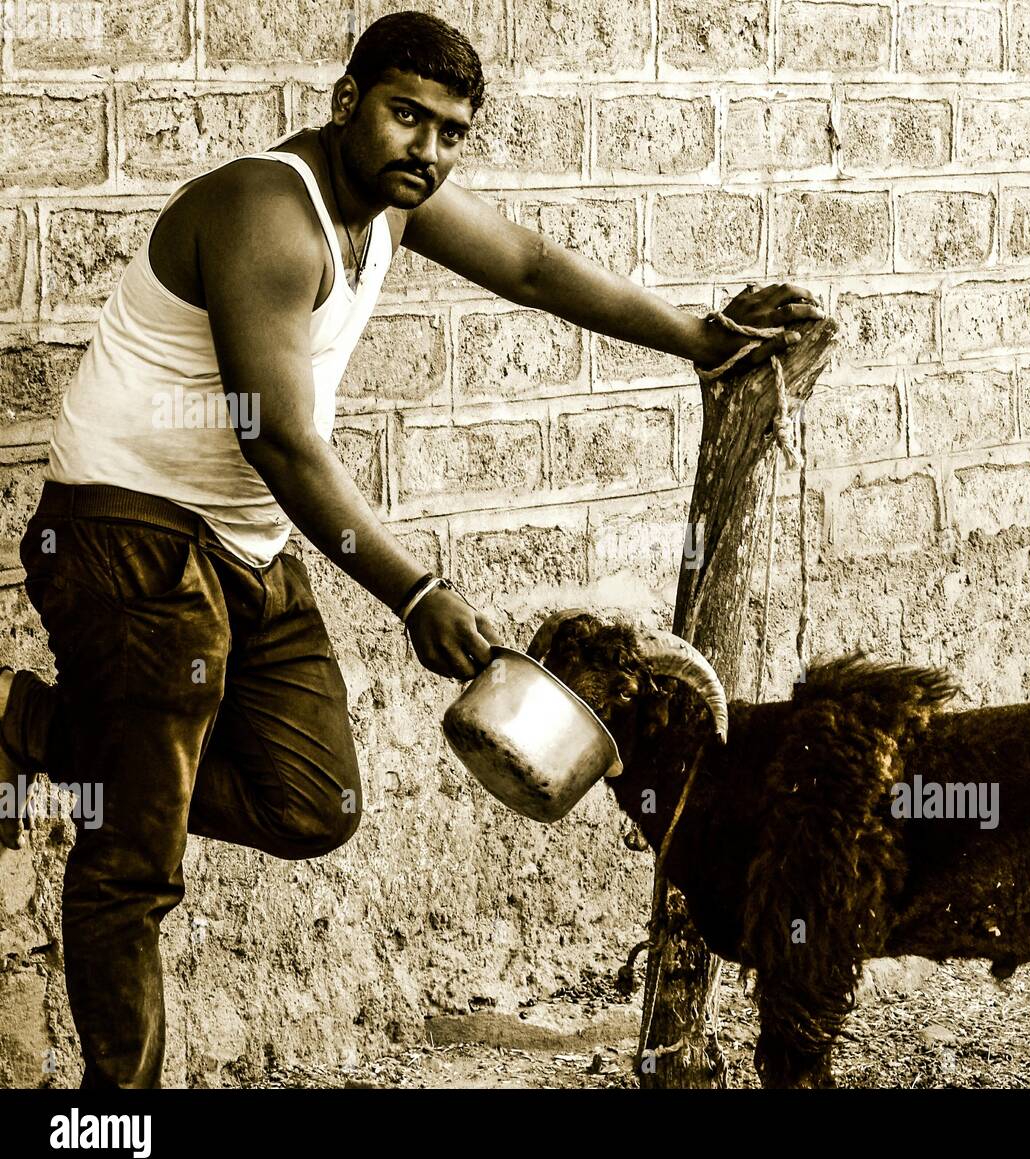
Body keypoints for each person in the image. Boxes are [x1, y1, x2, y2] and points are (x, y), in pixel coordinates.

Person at [0, 10, 824, 1088]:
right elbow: (282, 441)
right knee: (135, 858)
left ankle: (31, 727)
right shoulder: (267, 210)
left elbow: (529, 265)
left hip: (238, 541)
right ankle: (119, 1116)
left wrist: (698, 341)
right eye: (404, 116)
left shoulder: (392, 205)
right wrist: (415, 590)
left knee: (312, 801)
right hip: (129, 531)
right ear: (347, 102)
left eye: (448, 132)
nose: (424, 151)